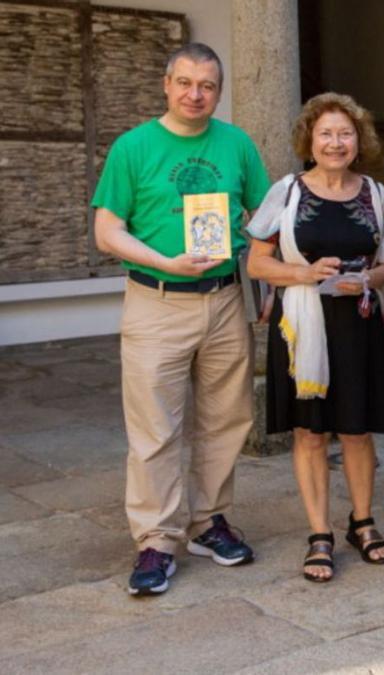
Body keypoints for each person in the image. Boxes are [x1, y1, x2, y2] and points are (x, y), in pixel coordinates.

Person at [92, 43, 267, 596]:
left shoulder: (237, 144)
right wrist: (164, 260)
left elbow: (263, 218)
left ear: (219, 91)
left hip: (222, 301)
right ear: (166, 85)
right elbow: (107, 230)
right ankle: (157, 540)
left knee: (226, 418)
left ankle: (209, 522)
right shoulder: (133, 147)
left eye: (208, 85)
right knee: (154, 429)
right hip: (156, 300)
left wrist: (261, 272)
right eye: (186, 83)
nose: (196, 94)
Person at [245, 93, 384, 582]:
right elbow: (255, 263)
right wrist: (304, 272)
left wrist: (371, 280)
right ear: (309, 141)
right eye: (326, 134)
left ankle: (363, 521)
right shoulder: (287, 192)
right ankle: (319, 533)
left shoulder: (376, 194)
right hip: (301, 326)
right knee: (310, 432)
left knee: (357, 429)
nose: (336, 143)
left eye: (345, 133)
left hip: (357, 325)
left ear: (359, 141)